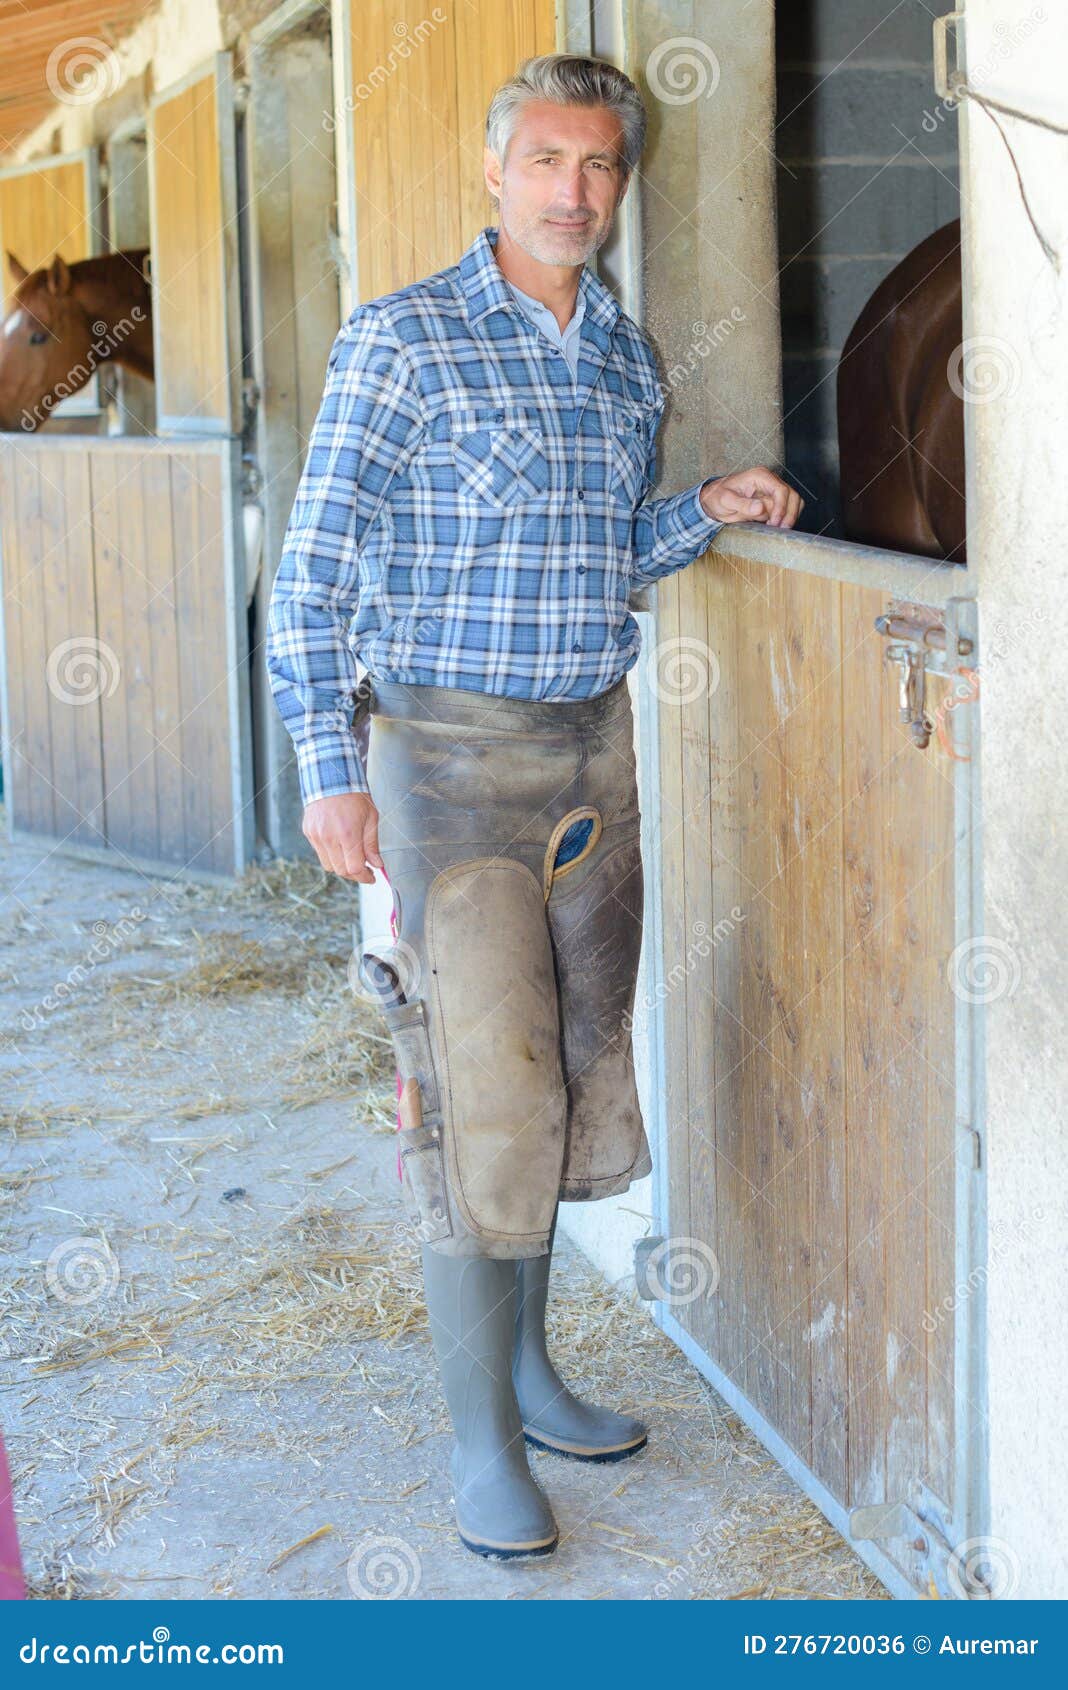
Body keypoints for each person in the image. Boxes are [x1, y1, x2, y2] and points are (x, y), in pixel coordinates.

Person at [266, 51, 802, 1561]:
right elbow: (310, 575)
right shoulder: (404, 342)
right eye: (550, 164)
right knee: (471, 1094)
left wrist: (707, 509)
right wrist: (327, 769)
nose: (578, 194)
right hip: (440, 765)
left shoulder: (623, 359)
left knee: (566, 1079)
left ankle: (530, 1367)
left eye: (603, 169)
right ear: (493, 175)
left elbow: (600, 553)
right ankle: (478, 1444)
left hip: (589, 761)